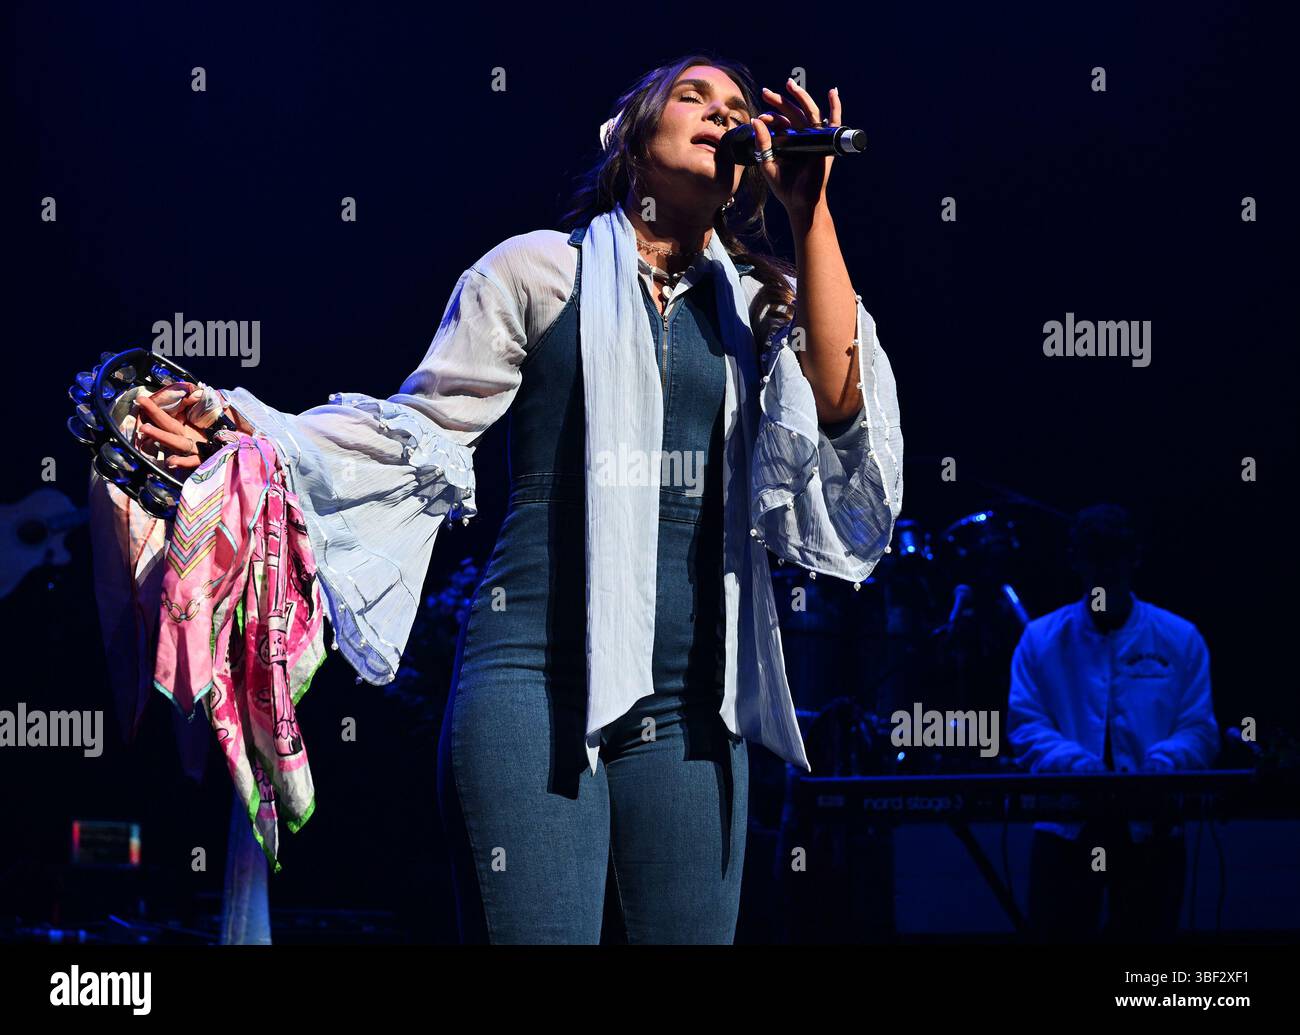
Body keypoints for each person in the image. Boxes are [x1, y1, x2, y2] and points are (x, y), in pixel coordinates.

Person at [125, 53, 904, 944]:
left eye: (734, 104)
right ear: (630, 139)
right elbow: (414, 431)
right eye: (692, 97)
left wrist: (809, 207)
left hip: (694, 703)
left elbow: (840, 401)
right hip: (532, 676)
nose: (720, 113)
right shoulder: (540, 270)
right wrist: (245, 430)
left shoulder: (759, 299)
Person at [1007, 503, 1219, 941]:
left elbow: (1198, 727)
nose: (1105, 572)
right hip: (1066, 825)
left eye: (1114, 558)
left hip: (1153, 828)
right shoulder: (1040, 639)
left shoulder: (1180, 638)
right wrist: (1075, 766)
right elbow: (1026, 725)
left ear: (1134, 558)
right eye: (1096, 559)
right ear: (1076, 561)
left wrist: (1164, 763)